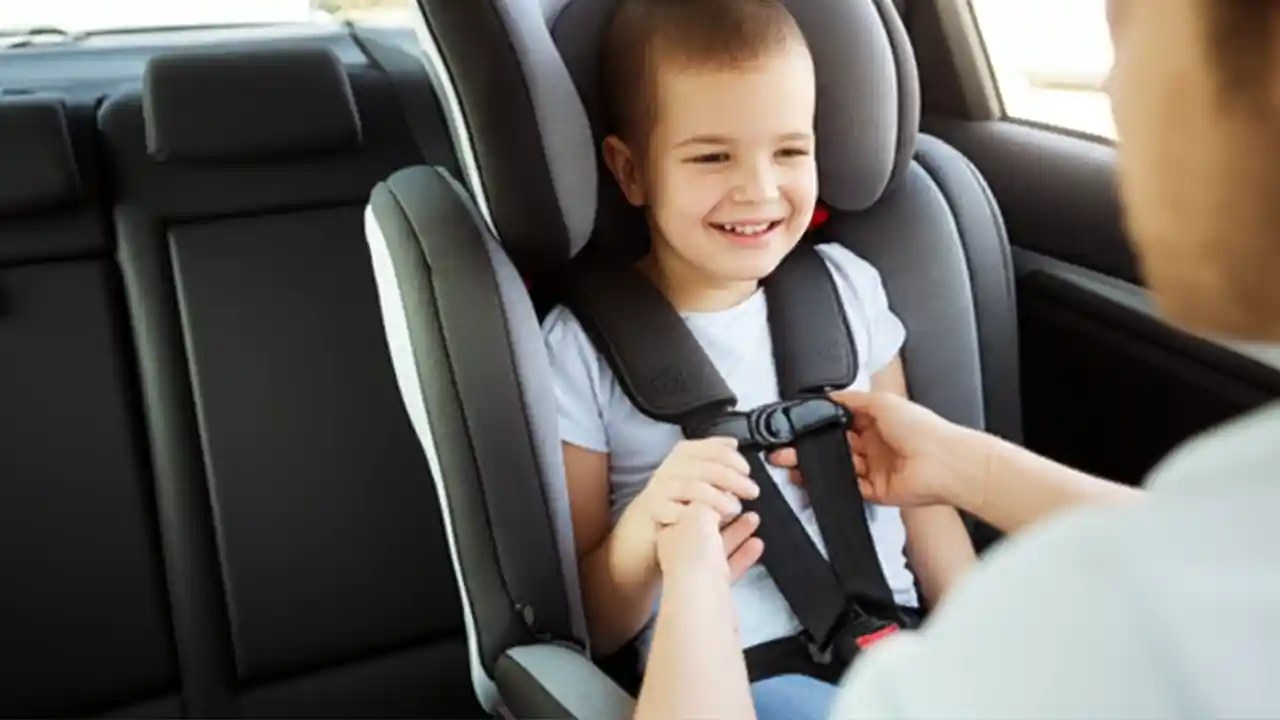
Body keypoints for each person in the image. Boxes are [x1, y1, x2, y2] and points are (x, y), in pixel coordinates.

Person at [637, 0, 1280, 717]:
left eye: (1125, 21)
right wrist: (967, 471)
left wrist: (695, 585)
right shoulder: (1227, 545)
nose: (1111, 87)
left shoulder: (1133, 627)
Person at [540, 0, 975, 717]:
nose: (760, 189)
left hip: (907, 653)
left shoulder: (849, 292)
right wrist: (648, 529)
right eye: (713, 156)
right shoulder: (579, 351)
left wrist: (983, 637)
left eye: (790, 151)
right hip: (733, 680)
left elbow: (923, 502)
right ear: (631, 171)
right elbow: (591, 622)